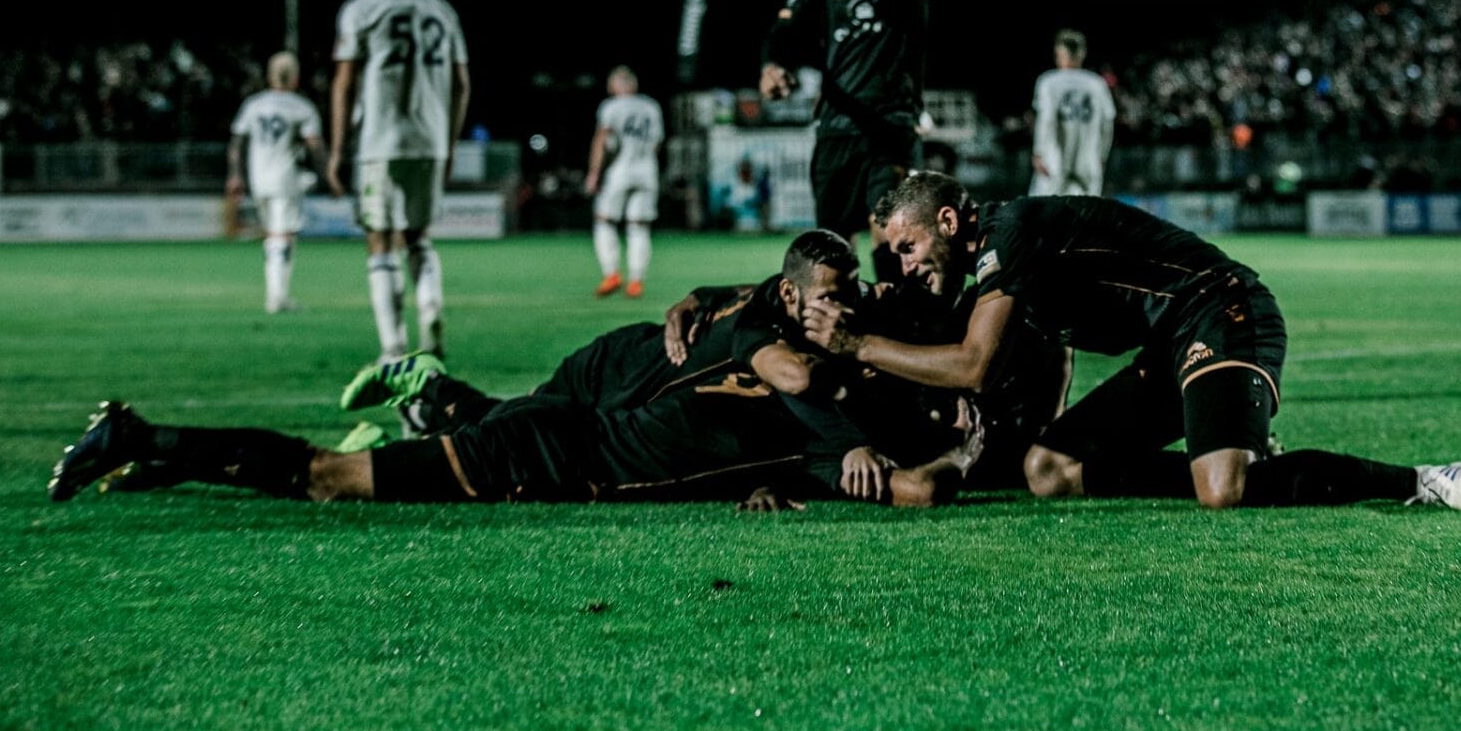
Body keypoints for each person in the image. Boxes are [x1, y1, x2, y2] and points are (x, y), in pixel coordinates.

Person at [48, 234, 980, 512]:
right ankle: (142, 436)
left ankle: (157, 456)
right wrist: (962, 455)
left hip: (570, 435)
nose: (836, 317)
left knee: (356, 467)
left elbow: (850, 451)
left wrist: (788, 475)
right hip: (555, 452)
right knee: (330, 479)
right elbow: (893, 472)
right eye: (827, 304)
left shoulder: (800, 406)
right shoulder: (782, 360)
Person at [801, 171, 1461, 511]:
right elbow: (1052, 347)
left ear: (949, 222)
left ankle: (1424, 480)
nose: (904, 264)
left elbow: (976, 366)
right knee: (1049, 469)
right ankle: (1232, 444)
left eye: (909, 247)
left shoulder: (1011, 237)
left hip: (1219, 308)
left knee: (1222, 490)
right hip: (1169, 343)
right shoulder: (996, 264)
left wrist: (856, 344)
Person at [760, 0, 960, 284]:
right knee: (834, 244)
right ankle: (845, 316)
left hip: (894, 125)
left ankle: (899, 313)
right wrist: (772, 65)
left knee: (893, 228)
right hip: (838, 126)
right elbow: (785, 26)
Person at [326, 0, 471, 360]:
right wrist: (449, 143)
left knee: (381, 240)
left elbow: (344, 82)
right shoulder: (441, 8)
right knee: (419, 237)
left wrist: (337, 149)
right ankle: (430, 311)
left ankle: (392, 347)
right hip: (430, 139)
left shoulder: (361, 8)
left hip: (379, 141)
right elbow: (462, 84)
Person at [227, 52, 326, 313]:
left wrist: (235, 174)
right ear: (295, 77)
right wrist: (328, 175)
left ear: (270, 75)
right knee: (282, 236)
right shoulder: (301, 107)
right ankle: (276, 298)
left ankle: (278, 295)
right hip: (284, 177)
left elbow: (237, 142)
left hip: (257, 177)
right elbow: (315, 146)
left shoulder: (253, 104)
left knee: (273, 235)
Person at [585, 66, 665, 298]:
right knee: (639, 226)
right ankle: (636, 281)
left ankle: (611, 274)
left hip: (620, 170)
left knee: (604, 220)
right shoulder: (651, 106)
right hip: (647, 171)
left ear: (614, 86)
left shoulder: (611, 106)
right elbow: (657, 143)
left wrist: (594, 173)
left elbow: (601, 140)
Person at [1029, 29, 1116, 196]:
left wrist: (1039, 152)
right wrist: (1101, 156)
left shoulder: (1048, 81)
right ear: (1082, 54)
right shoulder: (1097, 84)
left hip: (1054, 161)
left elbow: (1046, 120)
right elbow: (1107, 125)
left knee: (1045, 209)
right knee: (1088, 210)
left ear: (1060, 52)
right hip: (1089, 161)